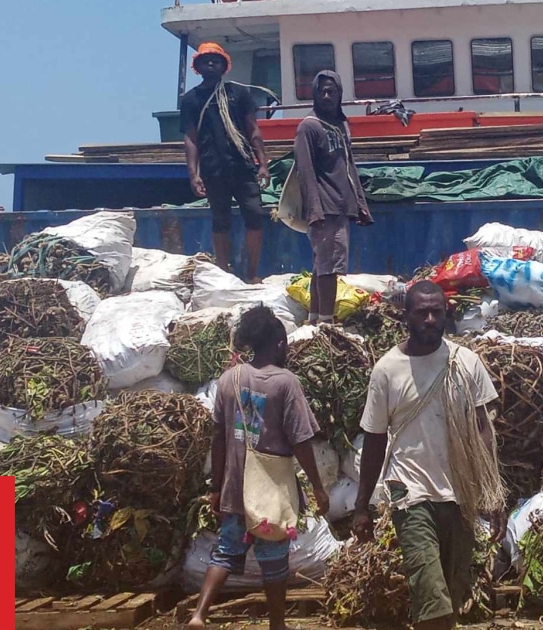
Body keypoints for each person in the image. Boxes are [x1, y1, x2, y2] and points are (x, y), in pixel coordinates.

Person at [353, 280, 507, 630]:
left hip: (459, 495)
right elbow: (375, 439)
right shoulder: (387, 370)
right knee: (431, 599)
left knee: (452, 596)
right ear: (405, 316)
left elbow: (483, 430)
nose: (429, 319)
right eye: (421, 312)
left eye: (436, 312)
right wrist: (362, 506)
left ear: (445, 314)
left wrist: (492, 492)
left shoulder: (466, 362)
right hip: (410, 494)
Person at [188, 305, 331, 630]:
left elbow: (218, 440)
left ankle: (199, 614)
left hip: (235, 487)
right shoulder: (286, 383)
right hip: (269, 490)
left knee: (225, 551)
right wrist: (318, 487)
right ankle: (277, 624)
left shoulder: (229, 379)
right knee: (273, 558)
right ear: (280, 343)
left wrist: (215, 488)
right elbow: (301, 441)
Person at [180, 42, 271, 283]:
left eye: (216, 60)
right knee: (220, 221)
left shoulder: (238, 94)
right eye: (206, 60)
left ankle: (252, 273)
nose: (211, 63)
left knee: (254, 215)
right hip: (213, 168)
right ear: (197, 66)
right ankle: (223, 273)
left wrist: (262, 163)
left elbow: (253, 130)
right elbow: (191, 139)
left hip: (242, 166)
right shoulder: (190, 100)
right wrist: (194, 174)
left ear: (224, 66)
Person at [293, 71, 374, 324]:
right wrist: (314, 210)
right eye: (322, 91)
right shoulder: (309, 127)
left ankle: (315, 318)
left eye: (332, 91)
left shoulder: (341, 126)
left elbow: (350, 166)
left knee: (322, 267)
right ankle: (328, 324)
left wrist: (360, 204)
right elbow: (305, 171)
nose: (327, 95)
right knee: (329, 268)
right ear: (314, 94)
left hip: (341, 205)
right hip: (325, 207)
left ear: (340, 94)